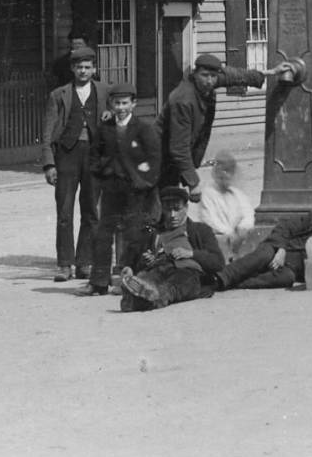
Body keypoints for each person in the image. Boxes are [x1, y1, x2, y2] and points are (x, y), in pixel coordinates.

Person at [161, 53, 275, 193]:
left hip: (173, 161)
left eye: (213, 76)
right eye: (204, 75)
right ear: (195, 74)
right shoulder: (183, 100)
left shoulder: (205, 84)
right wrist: (193, 184)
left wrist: (266, 73)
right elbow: (179, 148)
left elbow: (232, 75)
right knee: (159, 198)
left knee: (171, 198)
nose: (209, 81)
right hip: (158, 157)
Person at [217, 188, 312, 291]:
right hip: (278, 250)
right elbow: (285, 227)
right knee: (264, 255)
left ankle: (233, 284)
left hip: (294, 267)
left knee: (285, 279)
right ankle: (221, 277)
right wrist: (281, 249)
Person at [87, 82, 159, 296]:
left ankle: (131, 280)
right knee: (103, 234)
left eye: (125, 103)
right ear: (111, 104)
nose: (120, 108)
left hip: (135, 191)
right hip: (111, 189)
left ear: (133, 104)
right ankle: (99, 282)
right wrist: (102, 172)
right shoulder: (105, 129)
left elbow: (154, 158)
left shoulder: (143, 128)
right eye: (117, 103)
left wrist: (144, 182)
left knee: (134, 234)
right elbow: (94, 155)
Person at [41, 46, 105, 283]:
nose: (83, 71)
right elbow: (47, 132)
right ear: (72, 69)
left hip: (94, 156)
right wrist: (49, 164)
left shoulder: (104, 92)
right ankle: (64, 264)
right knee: (65, 211)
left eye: (87, 67)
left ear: (94, 69)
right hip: (67, 155)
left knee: (91, 211)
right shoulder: (59, 95)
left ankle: (84, 262)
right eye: (79, 67)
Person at [117, 187, 225, 312]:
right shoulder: (153, 233)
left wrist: (191, 254)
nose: (173, 215)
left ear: (186, 208)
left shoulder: (200, 229)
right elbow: (133, 259)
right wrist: (135, 265)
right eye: (168, 210)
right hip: (158, 269)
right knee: (146, 280)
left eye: (177, 209)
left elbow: (218, 262)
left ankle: (142, 299)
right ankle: (136, 294)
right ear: (162, 209)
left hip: (187, 271)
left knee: (175, 285)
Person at [194, 150, 261, 258]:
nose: (225, 175)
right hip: (219, 239)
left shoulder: (237, 194)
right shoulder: (208, 193)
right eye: (222, 172)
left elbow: (248, 213)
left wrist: (243, 227)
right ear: (216, 173)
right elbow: (210, 220)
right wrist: (229, 233)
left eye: (229, 171)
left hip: (238, 238)